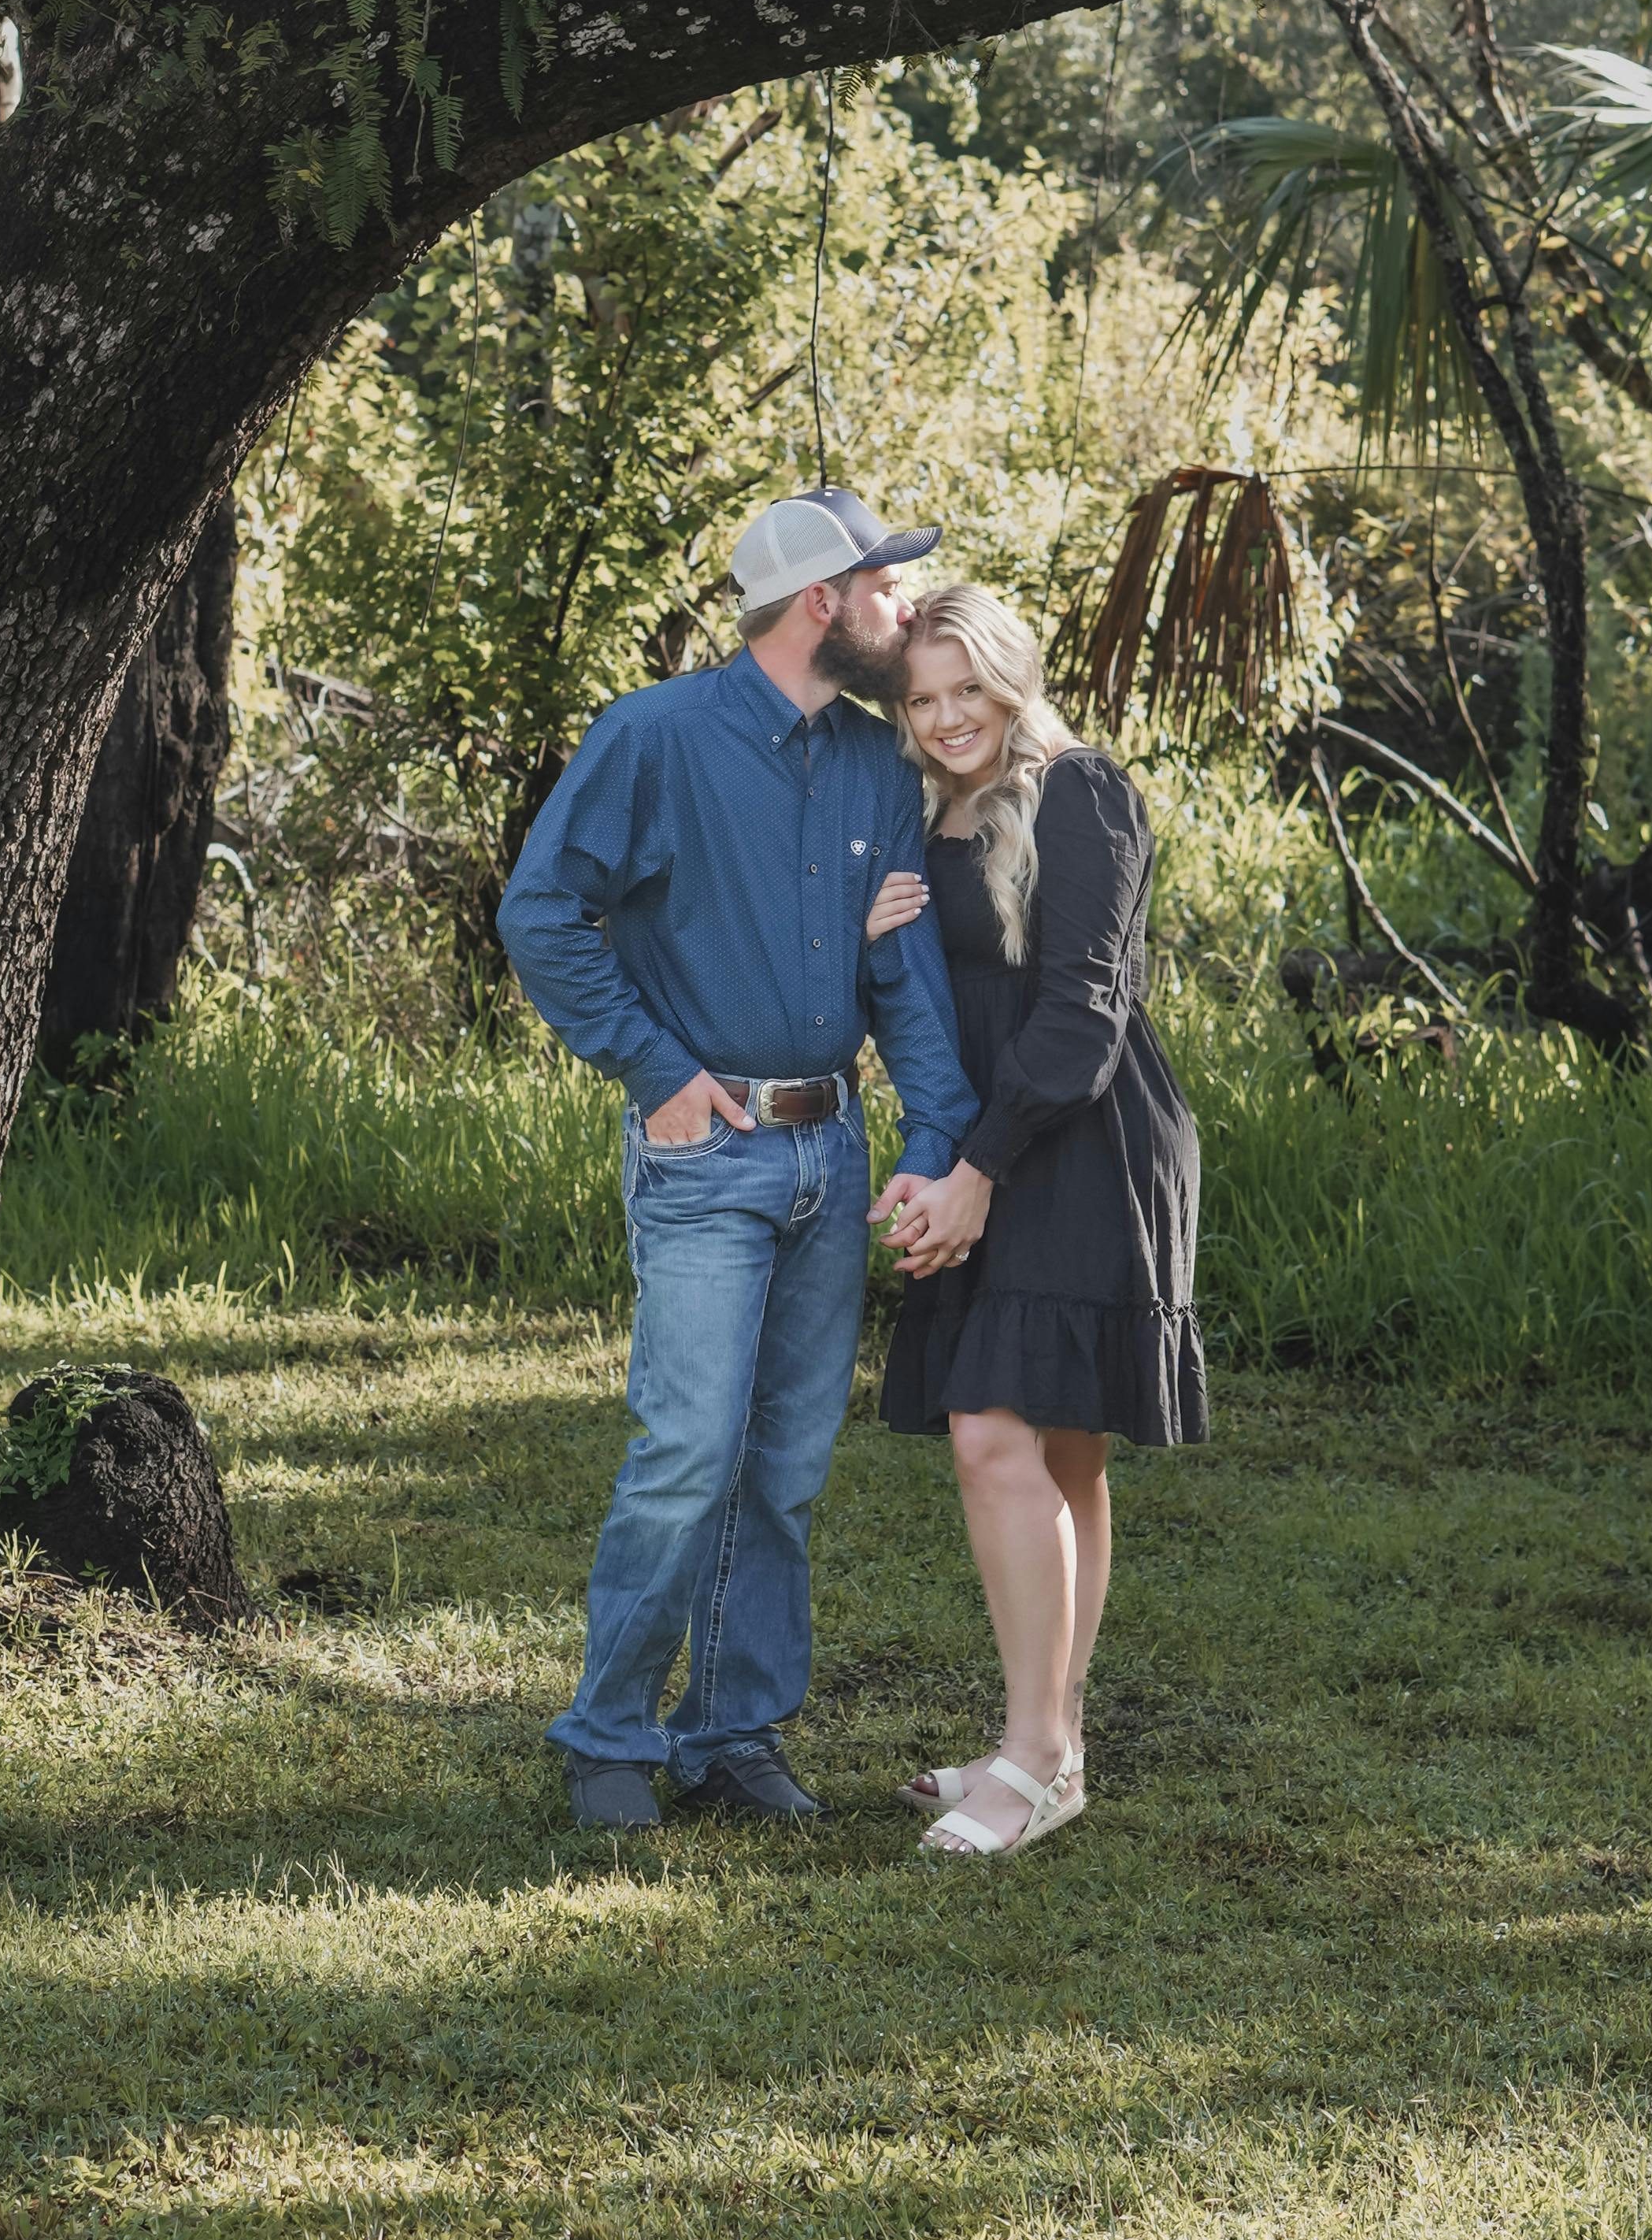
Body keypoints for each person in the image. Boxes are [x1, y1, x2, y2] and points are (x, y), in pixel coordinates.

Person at [497, 491, 981, 1834]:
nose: (904, 607)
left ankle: (732, 1734)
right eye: (886, 585)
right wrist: (654, 1072)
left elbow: (904, 978)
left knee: (782, 1467)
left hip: (834, 1151)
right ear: (821, 600)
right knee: (687, 1450)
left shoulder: (882, 770)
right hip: (707, 1160)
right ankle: (609, 1733)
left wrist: (937, 1140)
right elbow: (541, 912)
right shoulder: (652, 737)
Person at [869, 584, 1209, 1858]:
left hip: (1082, 1141)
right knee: (1056, 1450)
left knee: (993, 1432)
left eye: (968, 689)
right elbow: (940, 989)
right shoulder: (927, 807)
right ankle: (1049, 1746)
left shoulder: (1078, 790)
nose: (947, 717)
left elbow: (1080, 1013)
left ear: (1010, 679)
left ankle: (1031, 1758)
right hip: (994, 1138)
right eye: (922, 697)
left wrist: (979, 1171)